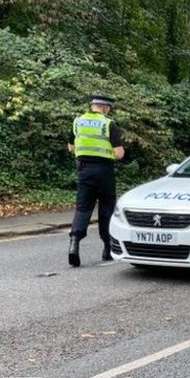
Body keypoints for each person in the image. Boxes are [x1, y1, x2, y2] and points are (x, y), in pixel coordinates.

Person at [67, 95, 125, 267]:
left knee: (83, 208)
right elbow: (119, 153)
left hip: (84, 171)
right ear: (106, 108)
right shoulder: (108, 124)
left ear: (92, 106)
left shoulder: (78, 121)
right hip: (104, 171)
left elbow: (70, 147)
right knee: (106, 209)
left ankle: (74, 243)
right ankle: (107, 250)